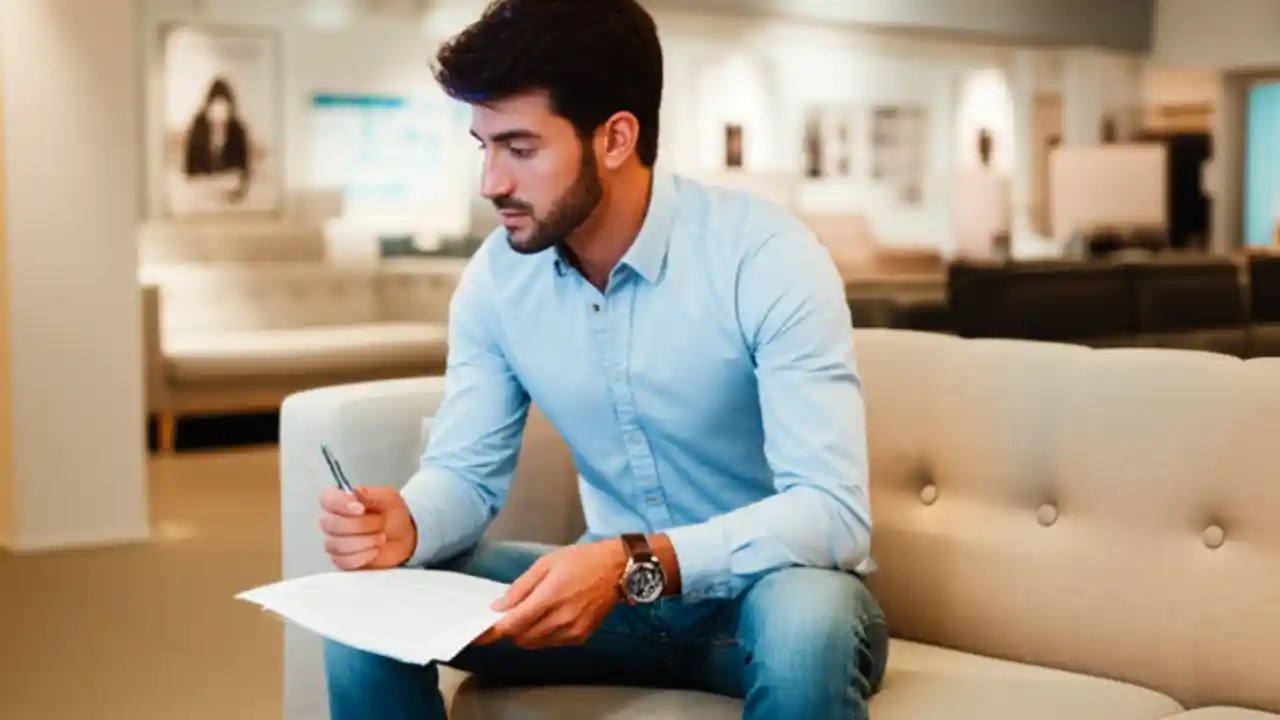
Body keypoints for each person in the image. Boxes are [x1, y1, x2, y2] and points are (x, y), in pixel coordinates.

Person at [317, 1, 887, 718]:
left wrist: (633, 565)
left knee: (808, 627)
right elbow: (465, 473)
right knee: (366, 615)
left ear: (616, 137)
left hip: (769, 599)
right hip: (611, 607)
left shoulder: (766, 258)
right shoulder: (498, 280)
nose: (491, 182)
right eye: (483, 146)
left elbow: (832, 515)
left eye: (520, 149)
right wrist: (412, 521)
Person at [182, 76, 251, 202]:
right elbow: (189, 171)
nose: (219, 113)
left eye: (224, 107)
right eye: (215, 106)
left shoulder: (238, 131)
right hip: (200, 196)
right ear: (208, 108)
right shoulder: (197, 129)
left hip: (229, 196)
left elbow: (244, 172)